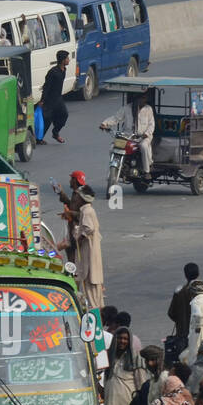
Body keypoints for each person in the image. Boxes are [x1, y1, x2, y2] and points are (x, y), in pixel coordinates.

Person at [53, 172, 105, 307]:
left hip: (80, 239)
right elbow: (72, 207)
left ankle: (75, 294)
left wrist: (79, 238)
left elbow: (88, 228)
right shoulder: (82, 203)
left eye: (71, 179)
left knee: (80, 269)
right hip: (78, 236)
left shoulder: (86, 211)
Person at [100, 92, 155, 174]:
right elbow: (116, 118)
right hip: (127, 136)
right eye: (141, 98)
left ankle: (147, 171)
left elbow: (151, 125)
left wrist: (146, 134)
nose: (142, 101)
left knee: (143, 146)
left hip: (143, 137)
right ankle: (119, 165)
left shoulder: (148, 109)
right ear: (136, 99)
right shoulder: (126, 108)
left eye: (144, 99)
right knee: (112, 147)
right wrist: (105, 123)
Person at [39, 50, 70, 144]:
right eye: (67, 58)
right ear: (62, 60)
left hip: (58, 98)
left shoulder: (64, 70)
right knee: (47, 119)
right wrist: (42, 100)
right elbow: (46, 86)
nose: (69, 60)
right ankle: (38, 139)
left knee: (64, 114)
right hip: (49, 99)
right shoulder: (52, 72)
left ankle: (55, 132)